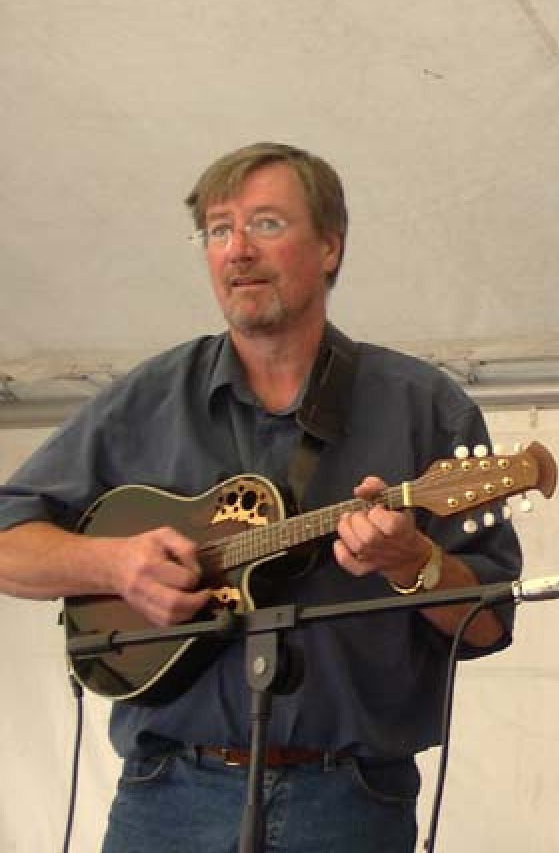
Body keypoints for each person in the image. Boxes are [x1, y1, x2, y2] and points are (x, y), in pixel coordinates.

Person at [0, 142, 523, 851]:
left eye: (267, 224)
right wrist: (115, 567)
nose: (237, 249)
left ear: (331, 247)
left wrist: (415, 563)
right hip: (166, 798)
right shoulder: (149, 398)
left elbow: (489, 624)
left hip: (351, 801)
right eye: (218, 229)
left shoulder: (424, 406)